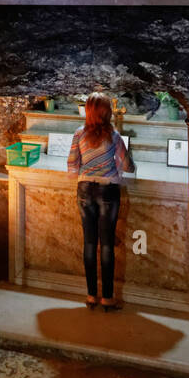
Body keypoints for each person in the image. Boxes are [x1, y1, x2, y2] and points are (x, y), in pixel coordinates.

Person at [67, 93, 134, 311]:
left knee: (88, 242)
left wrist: (87, 169)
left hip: (85, 189)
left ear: (88, 111)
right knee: (106, 244)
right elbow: (127, 166)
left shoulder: (79, 134)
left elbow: (72, 164)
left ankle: (90, 296)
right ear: (107, 112)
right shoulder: (113, 135)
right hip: (108, 191)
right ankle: (107, 298)